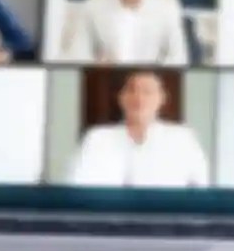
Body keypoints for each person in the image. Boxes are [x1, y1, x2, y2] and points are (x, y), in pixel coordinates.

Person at [66, 71, 209, 187]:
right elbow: (75, 185)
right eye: (132, 90)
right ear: (121, 97)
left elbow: (201, 188)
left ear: (162, 98)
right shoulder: (97, 138)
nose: (138, 97)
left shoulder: (183, 139)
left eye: (147, 92)